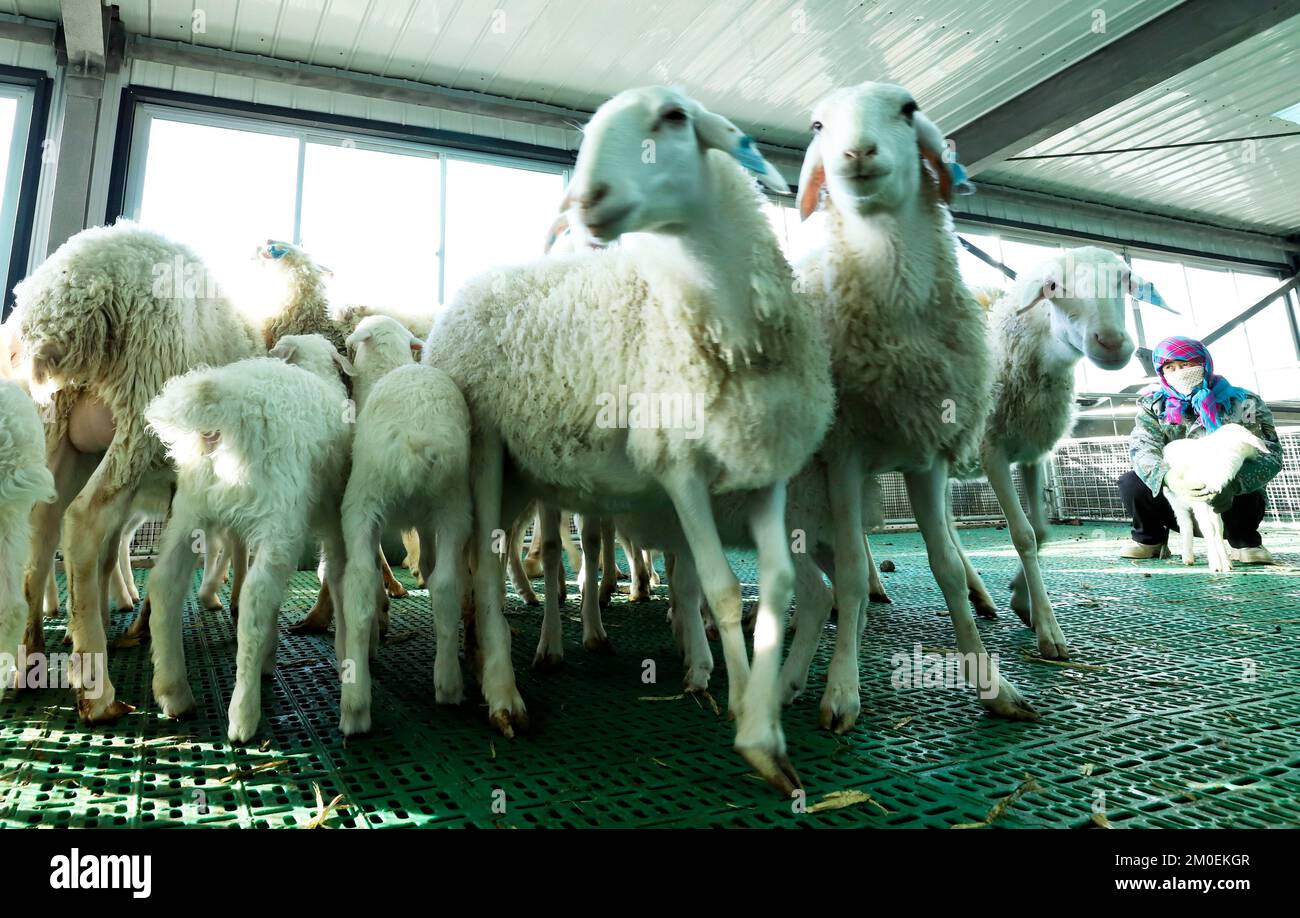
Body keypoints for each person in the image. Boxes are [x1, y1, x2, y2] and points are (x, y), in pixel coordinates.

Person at [1119, 335, 1283, 563]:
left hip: (1229, 503)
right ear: (1161, 372)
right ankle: (1150, 539)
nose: (1179, 372)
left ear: (1204, 363)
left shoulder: (1244, 402)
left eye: (1187, 364)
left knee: (1249, 487)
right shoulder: (1154, 406)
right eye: (1170, 367)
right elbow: (1143, 449)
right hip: (1179, 504)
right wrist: (1169, 478)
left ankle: (1244, 540)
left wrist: (1233, 485)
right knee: (1132, 482)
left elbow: (1270, 454)